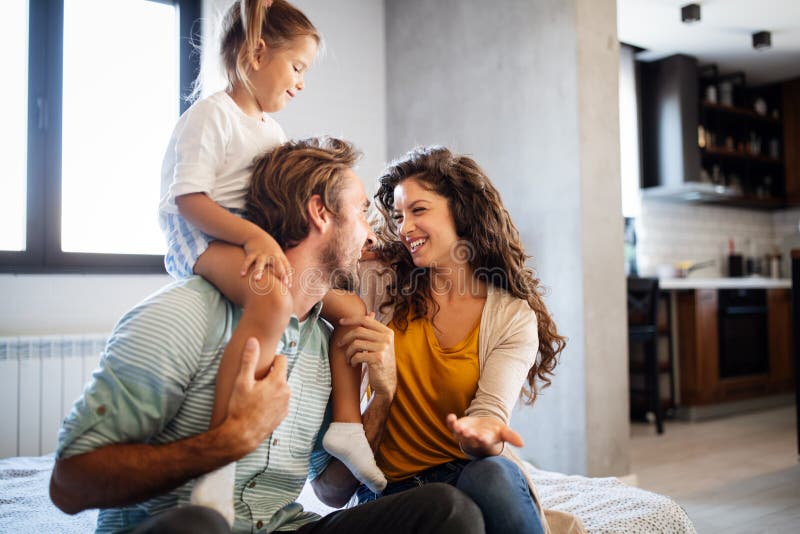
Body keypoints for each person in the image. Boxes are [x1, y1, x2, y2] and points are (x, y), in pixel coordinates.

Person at [50, 138, 484, 534]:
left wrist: (382, 399)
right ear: (320, 213)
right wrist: (223, 444)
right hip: (186, 528)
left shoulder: (324, 341)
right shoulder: (185, 314)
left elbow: (331, 491)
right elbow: (68, 484)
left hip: (282, 528)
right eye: (362, 212)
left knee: (449, 511)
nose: (373, 234)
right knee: (199, 526)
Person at [157, 0, 384, 521]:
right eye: (297, 67)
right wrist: (255, 238)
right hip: (202, 240)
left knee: (350, 310)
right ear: (257, 53)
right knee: (272, 301)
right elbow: (188, 200)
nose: (302, 82)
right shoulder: (211, 116)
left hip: (246, 241)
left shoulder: (271, 132)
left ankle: (346, 427)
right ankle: (222, 451)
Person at [325, 146, 584, 534]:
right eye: (398, 216)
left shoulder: (511, 317)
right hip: (393, 491)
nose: (403, 228)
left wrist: (482, 433)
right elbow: (305, 283)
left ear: (461, 210)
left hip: (470, 472)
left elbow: (490, 415)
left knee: (492, 476)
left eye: (418, 210)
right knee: (461, 513)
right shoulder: (381, 281)